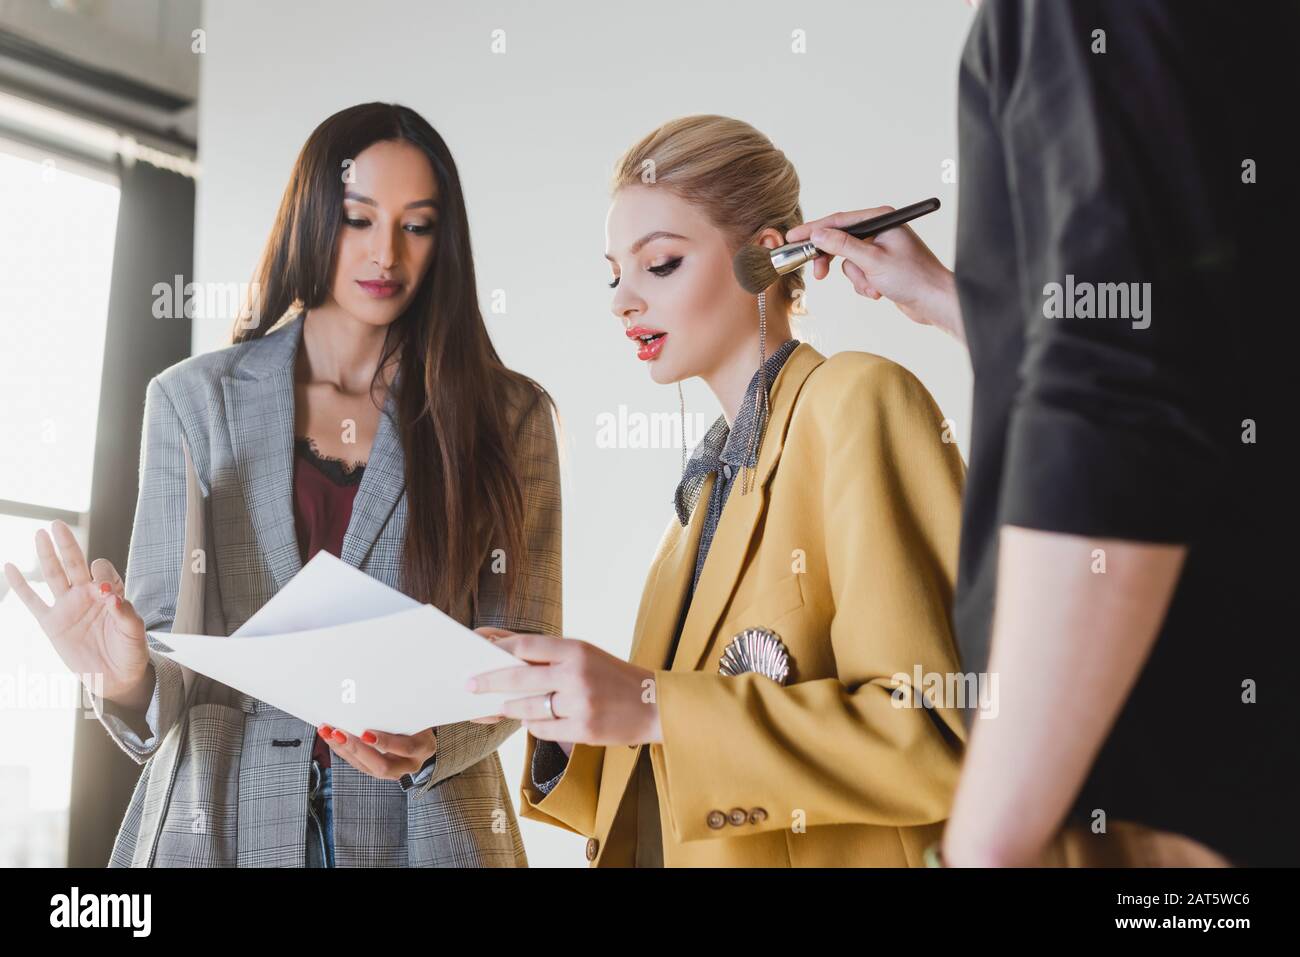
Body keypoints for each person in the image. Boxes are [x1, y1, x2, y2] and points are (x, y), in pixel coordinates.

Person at [788, 0, 1298, 866]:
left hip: (1172, 791)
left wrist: (983, 847)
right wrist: (961, 304)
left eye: (661, 262)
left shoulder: (856, 404)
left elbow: (1120, 408)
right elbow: (1193, 329)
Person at [3, 102, 562, 867]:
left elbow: (525, 653)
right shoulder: (192, 401)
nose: (386, 253)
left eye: (417, 224)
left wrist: (433, 737)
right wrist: (125, 671)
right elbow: (168, 665)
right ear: (313, 218)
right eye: (359, 219)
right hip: (221, 820)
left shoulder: (509, 416)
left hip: (427, 828)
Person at [468, 115, 968, 867]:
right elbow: (679, 767)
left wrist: (646, 701)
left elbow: (932, 735)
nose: (622, 301)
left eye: (660, 263)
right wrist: (564, 705)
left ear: (768, 258)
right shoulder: (698, 505)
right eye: (615, 273)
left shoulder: (857, 402)